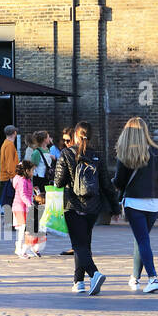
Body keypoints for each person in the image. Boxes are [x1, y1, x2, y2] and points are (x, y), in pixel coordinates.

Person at [52, 120, 119, 295]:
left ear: (75, 135)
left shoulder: (66, 153)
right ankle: (78, 282)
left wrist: (56, 171)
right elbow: (106, 185)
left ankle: (94, 273)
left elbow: (58, 182)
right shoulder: (96, 156)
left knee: (78, 244)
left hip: (73, 206)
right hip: (92, 207)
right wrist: (115, 208)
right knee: (84, 243)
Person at [114, 117, 158, 294]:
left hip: (134, 203)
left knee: (142, 240)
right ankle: (135, 277)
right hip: (154, 204)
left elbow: (119, 181)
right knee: (141, 239)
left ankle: (153, 278)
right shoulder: (157, 152)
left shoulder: (125, 152)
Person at [11, 160, 38, 258]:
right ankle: (20, 250)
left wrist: (34, 195)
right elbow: (23, 194)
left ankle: (23, 248)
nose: (33, 173)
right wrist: (29, 203)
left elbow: (28, 193)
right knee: (22, 229)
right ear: (26, 171)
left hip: (24, 207)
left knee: (26, 229)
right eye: (32, 171)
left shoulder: (27, 180)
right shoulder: (22, 181)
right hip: (19, 207)